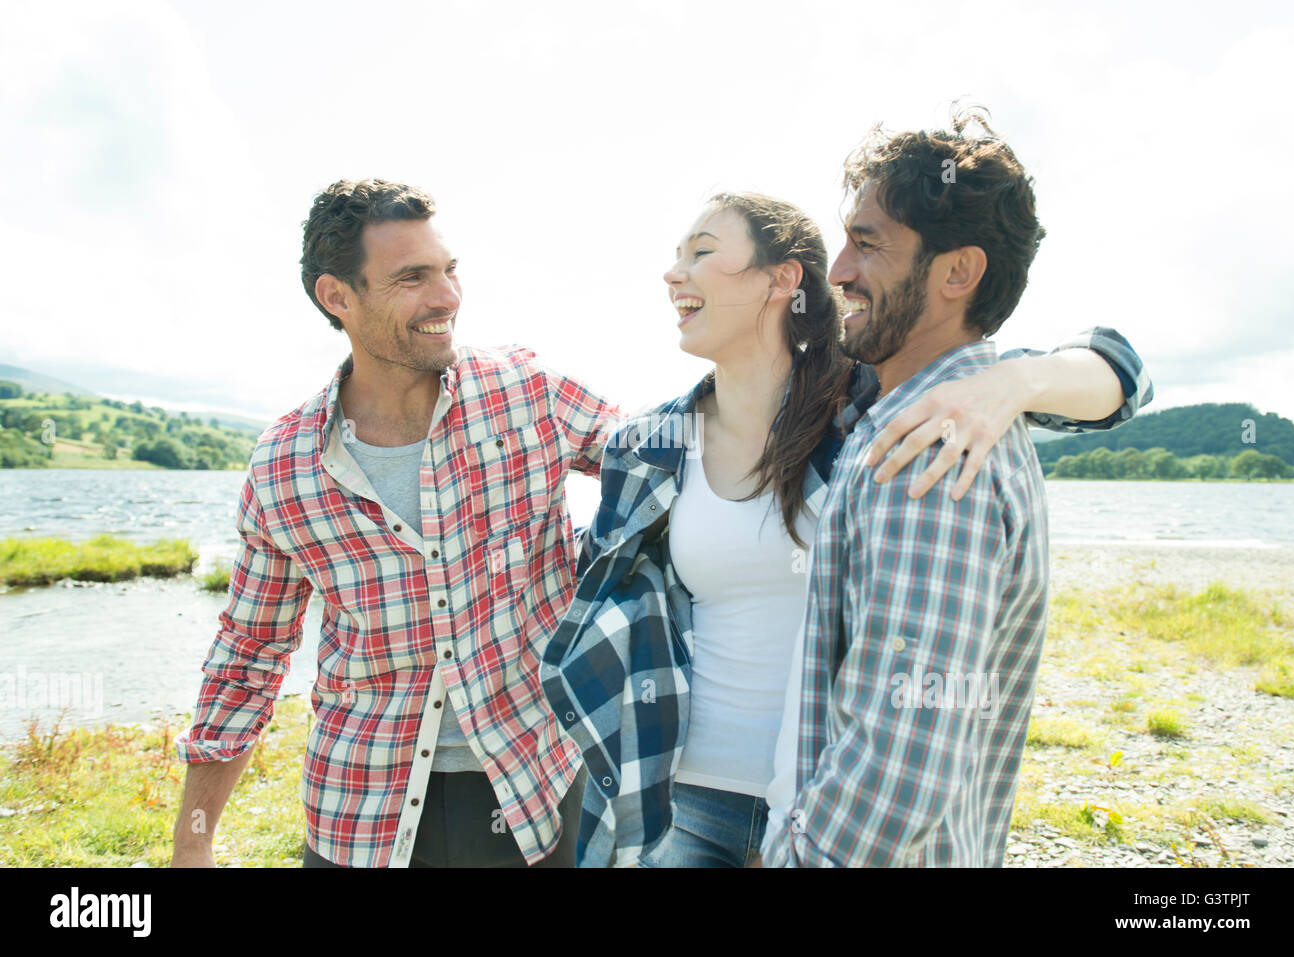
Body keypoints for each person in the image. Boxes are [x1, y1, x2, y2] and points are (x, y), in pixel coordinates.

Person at [540, 183, 1151, 867]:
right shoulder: (648, 447)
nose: (673, 273)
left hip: (826, 796)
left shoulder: (878, 411)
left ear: (783, 279)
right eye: (675, 256)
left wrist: (1012, 383)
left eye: (702, 253)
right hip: (683, 796)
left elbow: (1125, 371)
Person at [169, 179, 621, 868]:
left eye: (449, 269)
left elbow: (665, 470)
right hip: (359, 815)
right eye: (413, 277)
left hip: (536, 798)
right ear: (338, 297)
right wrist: (193, 841)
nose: (447, 297)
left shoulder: (529, 393)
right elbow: (248, 655)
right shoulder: (285, 463)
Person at [763, 109, 1093, 866]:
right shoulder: (936, 412)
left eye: (867, 243)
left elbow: (903, 756)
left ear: (957, 272)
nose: (838, 269)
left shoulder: (930, 450)